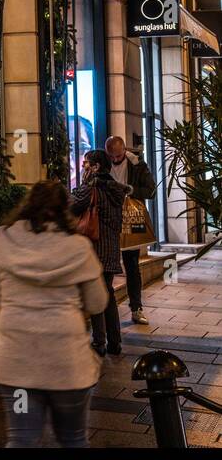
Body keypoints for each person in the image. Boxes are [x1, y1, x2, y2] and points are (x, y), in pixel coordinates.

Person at [0, 180, 107, 447]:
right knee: (73, 440)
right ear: (65, 208)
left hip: (17, 364)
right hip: (68, 365)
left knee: (21, 439)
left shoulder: (1, 241)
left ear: (27, 204)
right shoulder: (78, 248)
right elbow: (97, 303)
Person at [71, 149, 130, 356]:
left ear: (96, 167)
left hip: (95, 251)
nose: (83, 166)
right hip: (110, 251)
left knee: (96, 296)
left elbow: (72, 203)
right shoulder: (116, 190)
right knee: (108, 295)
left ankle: (99, 342)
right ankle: (115, 342)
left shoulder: (91, 189)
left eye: (86, 163)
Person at [105, 136, 155, 325]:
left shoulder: (137, 164)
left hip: (131, 219)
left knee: (132, 265)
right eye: (112, 156)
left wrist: (129, 190)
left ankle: (136, 308)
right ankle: (107, 310)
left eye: (118, 156)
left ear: (124, 150)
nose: (115, 160)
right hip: (109, 219)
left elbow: (150, 191)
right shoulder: (104, 163)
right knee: (108, 266)